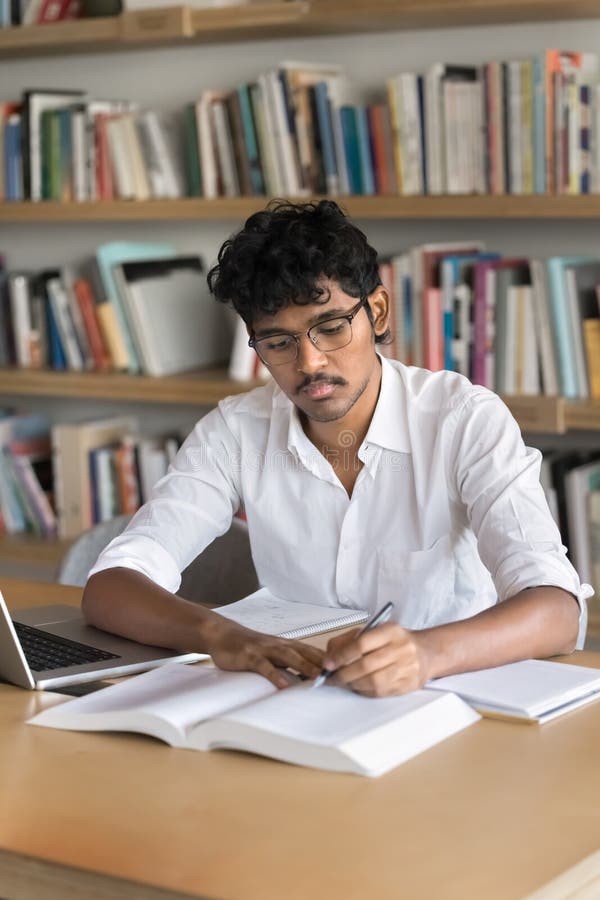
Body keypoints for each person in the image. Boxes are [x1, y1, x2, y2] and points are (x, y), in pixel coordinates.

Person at [83, 199, 592, 697]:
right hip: (299, 699)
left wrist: (427, 654)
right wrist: (222, 635)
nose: (309, 362)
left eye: (330, 328)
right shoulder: (234, 430)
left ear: (377, 311)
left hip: (446, 696)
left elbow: (557, 610)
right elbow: (112, 584)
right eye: (278, 342)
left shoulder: (463, 419)